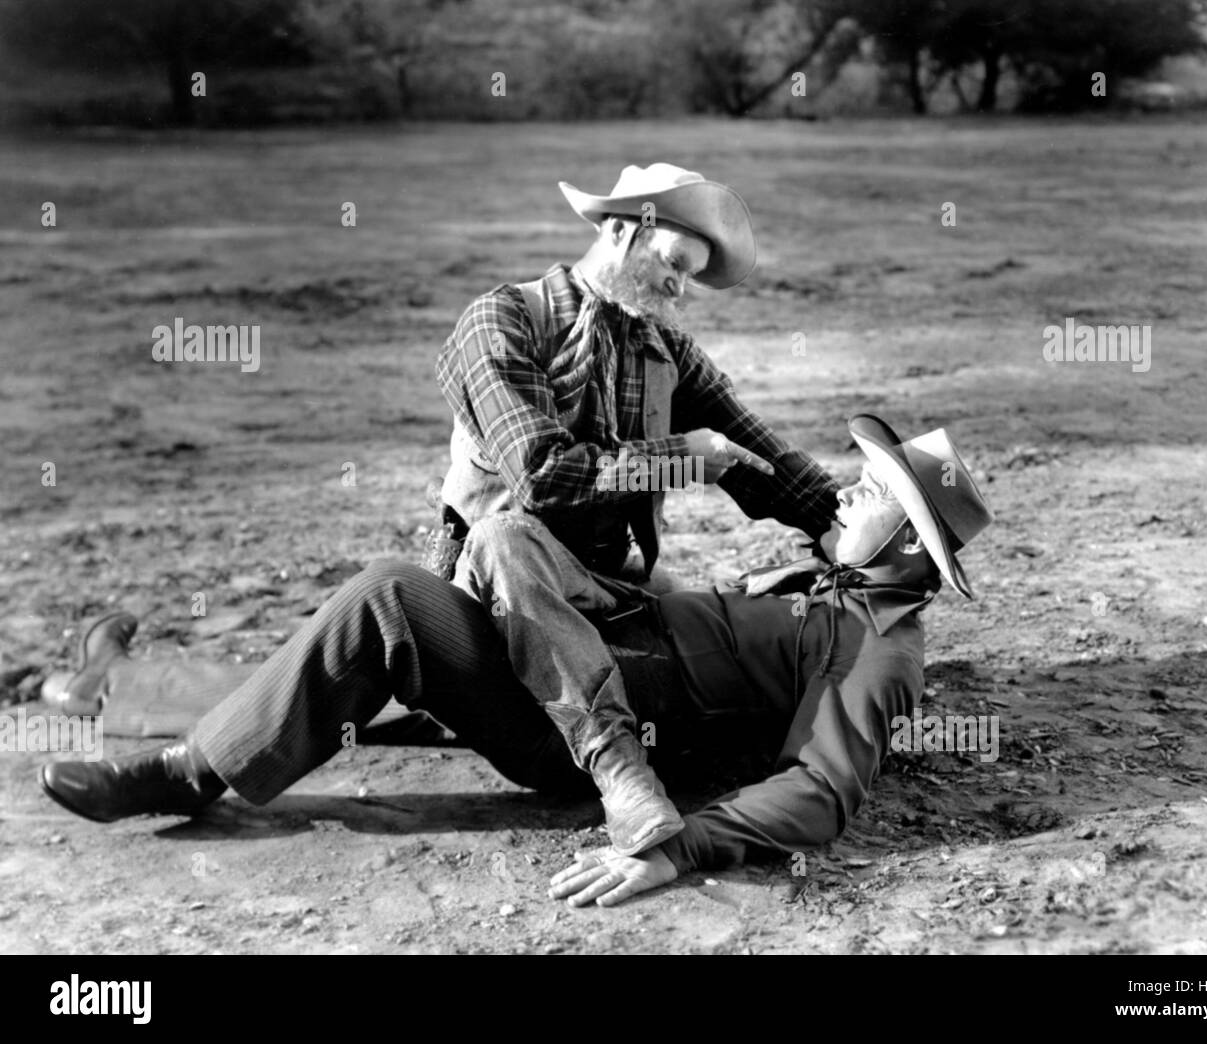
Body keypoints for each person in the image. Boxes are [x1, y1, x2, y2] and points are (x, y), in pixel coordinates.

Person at [40, 415, 993, 908]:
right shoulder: (841, 594)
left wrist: (680, 850)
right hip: (593, 656)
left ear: (907, 548)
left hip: (592, 722)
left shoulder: (879, 649)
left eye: (870, 492)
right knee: (464, 570)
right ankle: (100, 688)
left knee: (391, 601)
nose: (844, 491)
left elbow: (823, 793)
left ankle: (181, 776)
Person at [431, 162, 841, 855]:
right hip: (491, 594)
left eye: (692, 278)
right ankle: (620, 771)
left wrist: (847, 518)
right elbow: (540, 477)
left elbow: (755, 450)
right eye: (676, 264)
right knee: (507, 535)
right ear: (623, 231)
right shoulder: (500, 319)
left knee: (719, 619)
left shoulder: (665, 347)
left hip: (602, 586)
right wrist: (679, 455)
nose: (681, 287)